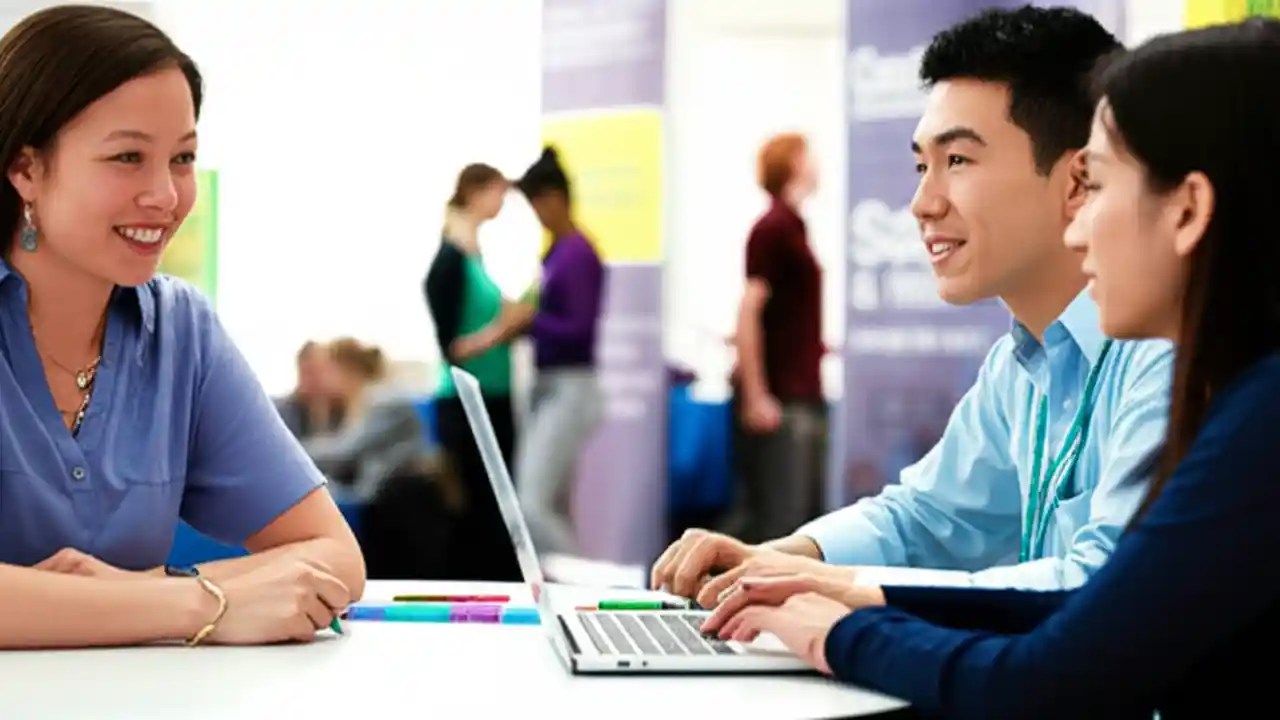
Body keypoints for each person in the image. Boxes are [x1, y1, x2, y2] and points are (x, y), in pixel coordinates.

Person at [701, 18, 1280, 717]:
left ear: (1188, 209)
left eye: (1096, 185)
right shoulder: (1034, 359)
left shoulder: (1229, 395)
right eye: (921, 167)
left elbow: (1071, 645)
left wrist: (846, 615)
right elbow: (935, 518)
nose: (922, 204)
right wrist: (800, 565)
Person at [652, 6, 1174, 603]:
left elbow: (1098, 587)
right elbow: (923, 518)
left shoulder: (1162, 353)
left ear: (1078, 182)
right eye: (922, 166)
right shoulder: (1020, 366)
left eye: (957, 161)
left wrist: (824, 584)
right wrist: (777, 558)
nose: (922, 203)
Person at [0, 5, 364, 649]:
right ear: (26, 169)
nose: (167, 196)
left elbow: (335, 557)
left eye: (183, 157)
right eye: (128, 157)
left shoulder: (180, 332)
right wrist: (196, 604)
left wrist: (136, 594)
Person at [455, 146, 607, 557]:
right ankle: (570, 588)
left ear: (554, 199)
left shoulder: (577, 254)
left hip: (571, 387)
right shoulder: (556, 253)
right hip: (550, 386)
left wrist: (529, 322)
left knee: (532, 506)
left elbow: (579, 330)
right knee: (552, 503)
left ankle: (579, 588)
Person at [724, 132, 827, 544]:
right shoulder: (773, 228)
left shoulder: (794, 227)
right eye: (810, 156)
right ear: (793, 165)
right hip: (782, 400)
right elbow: (749, 311)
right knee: (778, 522)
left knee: (795, 518)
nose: (817, 165)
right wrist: (756, 394)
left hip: (799, 392)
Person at [424, 163, 523, 581]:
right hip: (467, 402)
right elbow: (452, 345)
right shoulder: (451, 256)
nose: (501, 202)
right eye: (497, 192)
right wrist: (504, 329)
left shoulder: (472, 253)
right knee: (477, 509)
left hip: (494, 394)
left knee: (495, 508)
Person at [305, 338, 455, 579]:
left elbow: (347, 451)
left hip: (408, 501)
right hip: (387, 500)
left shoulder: (384, 399)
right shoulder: (358, 401)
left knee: (411, 574)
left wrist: (293, 452)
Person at [275, 340, 343, 441]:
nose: (318, 378)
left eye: (322, 370)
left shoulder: (341, 409)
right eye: (310, 372)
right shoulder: (283, 415)